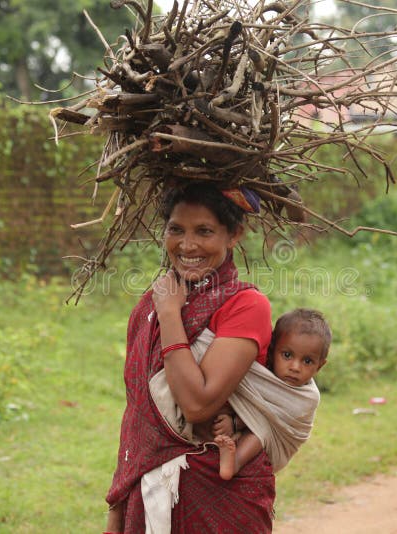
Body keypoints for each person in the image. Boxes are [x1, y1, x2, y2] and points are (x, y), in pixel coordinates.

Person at [104, 182, 275, 533]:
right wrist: (117, 506)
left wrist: (169, 314)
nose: (188, 245)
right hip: (149, 491)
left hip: (219, 494)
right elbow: (138, 415)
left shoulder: (244, 306)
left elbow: (197, 405)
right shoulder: (147, 308)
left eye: (205, 231)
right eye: (176, 229)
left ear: (235, 235)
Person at [213, 308, 331, 480]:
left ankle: (234, 462)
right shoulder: (260, 375)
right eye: (287, 355)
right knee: (260, 427)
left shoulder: (309, 398)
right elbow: (251, 402)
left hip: (274, 444)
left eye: (307, 361)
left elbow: (270, 417)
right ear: (272, 351)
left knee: (262, 432)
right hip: (242, 428)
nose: (295, 367)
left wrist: (235, 423)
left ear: (319, 366)